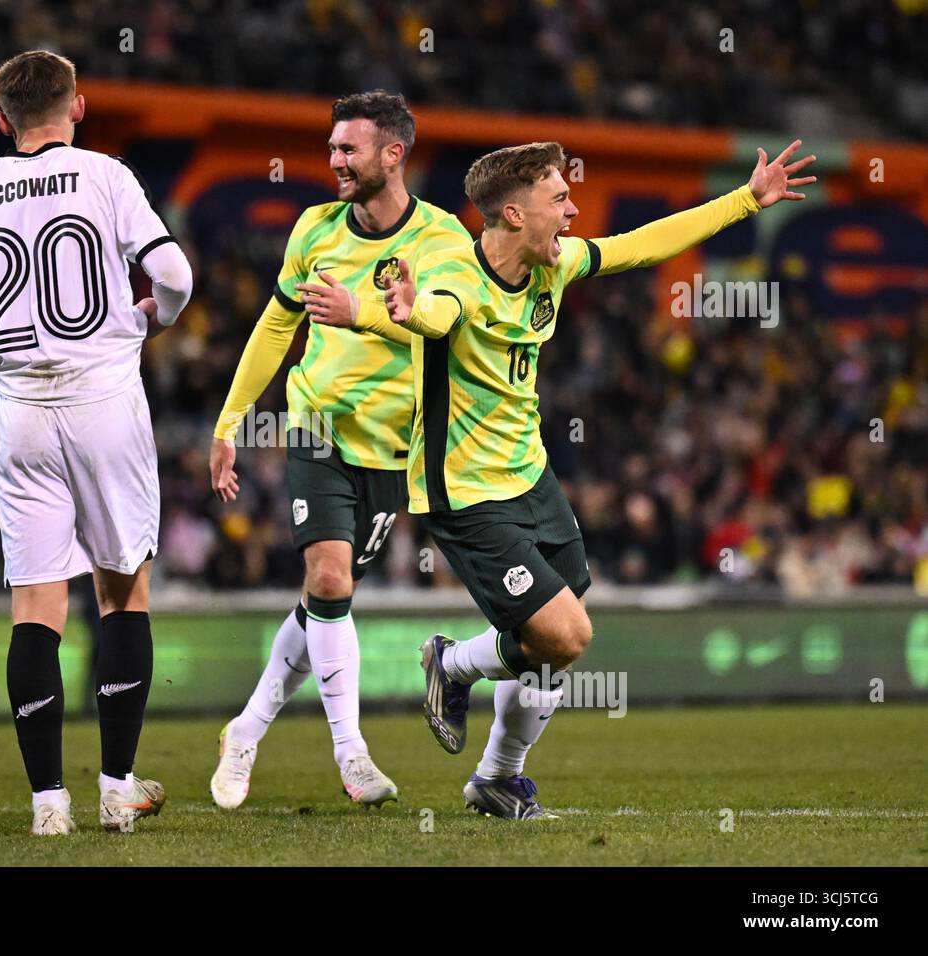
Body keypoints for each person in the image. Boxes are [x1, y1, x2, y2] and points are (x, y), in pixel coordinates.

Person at [316, 139, 816, 818]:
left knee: (553, 649)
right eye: (559, 198)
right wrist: (392, 311)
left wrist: (744, 200)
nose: (574, 210)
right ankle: (455, 665)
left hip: (532, 479)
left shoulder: (554, 264)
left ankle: (497, 777)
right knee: (568, 634)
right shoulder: (457, 280)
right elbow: (432, 312)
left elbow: (644, 244)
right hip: (465, 494)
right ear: (515, 216)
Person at [0, 51, 193, 835]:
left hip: (17, 410)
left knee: (35, 607)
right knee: (122, 591)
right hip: (101, 398)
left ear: (0, 121)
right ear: (78, 106)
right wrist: (151, 316)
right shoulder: (106, 176)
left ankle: (47, 804)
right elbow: (175, 273)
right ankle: (117, 787)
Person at [208, 91, 470, 808]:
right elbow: (272, 329)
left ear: (394, 154)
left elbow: (447, 328)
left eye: (348, 149)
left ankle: (247, 729)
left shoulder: (444, 241)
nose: (334, 162)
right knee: (328, 582)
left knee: (324, 602)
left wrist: (372, 315)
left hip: (392, 448)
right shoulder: (314, 230)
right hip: (317, 426)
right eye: (331, 148)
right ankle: (352, 755)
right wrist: (229, 422)